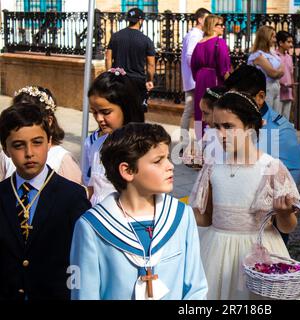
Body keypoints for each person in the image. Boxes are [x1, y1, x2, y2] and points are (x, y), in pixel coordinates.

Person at [70, 123, 207, 300]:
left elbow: (196, 288)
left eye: (167, 157)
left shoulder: (181, 216)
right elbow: (85, 294)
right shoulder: (92, 227)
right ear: (127, 170)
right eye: (158, 161)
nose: (170, 166)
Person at [189, 91, 300, 299]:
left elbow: (287, 226)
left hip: (259, 253)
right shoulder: (212, 166)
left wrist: (284, 214)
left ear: (249, 127)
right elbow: (205, 218)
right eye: (216, 126)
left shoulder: (271, 167)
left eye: (229, 127)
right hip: (217, 252)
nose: (221, 134)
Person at [0, 103, 91, 300]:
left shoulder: (72, 196)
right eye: (18, 145)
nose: (29, 153)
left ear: (49, 142)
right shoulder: (2, 193)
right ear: (5, 149)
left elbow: (84, 258)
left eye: (37, 142)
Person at [224, 65, 300, 186]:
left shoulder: (280, 129)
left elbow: (297, 169)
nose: (233, 105)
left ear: (260, 97)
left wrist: (271, 199)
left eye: (240, 100)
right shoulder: (228, 123)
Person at [87, 69, 145, 205]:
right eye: (94, 112)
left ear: (125, 107)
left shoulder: (141, 149)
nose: (99, 119)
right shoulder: (96, 145)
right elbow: (93, 187)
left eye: (105, 112)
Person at [11, 86, 83, 185]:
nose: (29, 153)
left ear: (49, 121)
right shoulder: (8, 156)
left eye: (31, 117)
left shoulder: (62, 160)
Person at [105, 7, 156, 114]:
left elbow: (108, 57)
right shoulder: (146, 40)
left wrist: (110, 74)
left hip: (118, 79)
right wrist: (150, 80)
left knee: (119, 111)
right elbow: (151, 65)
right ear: (141, 20)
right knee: (136, 112)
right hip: (136, 82)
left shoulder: (115, 36)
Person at [191, 14, 231, 140]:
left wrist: (199, 77)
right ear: (213, 27)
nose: (223, 27)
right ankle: (215, 143)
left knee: (200, 111)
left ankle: (200, 141)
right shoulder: (219, 42)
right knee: (215, 110)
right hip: (214, 79)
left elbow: (193, 66)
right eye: (220, 25)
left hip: (200, 79)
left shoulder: (199, 44)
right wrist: (231, 87)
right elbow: (224, 68)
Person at [180, 8, 210, 146]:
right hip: (194, 80)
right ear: (200, 19)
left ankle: (186, 142)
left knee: (192, 110)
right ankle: (185, 143)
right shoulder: (195, 35)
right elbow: (190, 57)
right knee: (193, 110)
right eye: (207, 19)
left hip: (193, 79)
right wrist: (198, 73)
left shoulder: (195, 34)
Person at [248, 25, 284, 113]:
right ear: (266, 38)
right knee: (266, 116)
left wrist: (278, 72)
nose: (275, 40)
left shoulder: (273, 53)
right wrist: (279, 72)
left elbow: (282, 69)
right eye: (273, 37)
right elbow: (273, 73)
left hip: (276, 87)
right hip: (265, 89)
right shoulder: (258, 55)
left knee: (275, 117)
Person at [276, 30, 295, 121]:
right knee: (276, 118)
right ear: (280, 43)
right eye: (288, 42)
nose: (291, 45)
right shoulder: (274, 56)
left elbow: (291, 74)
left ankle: (284, 135)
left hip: (288, 92)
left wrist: (293, 91)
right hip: (277, 93)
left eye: (291, 42)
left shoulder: (289, 57)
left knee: (285, 119)